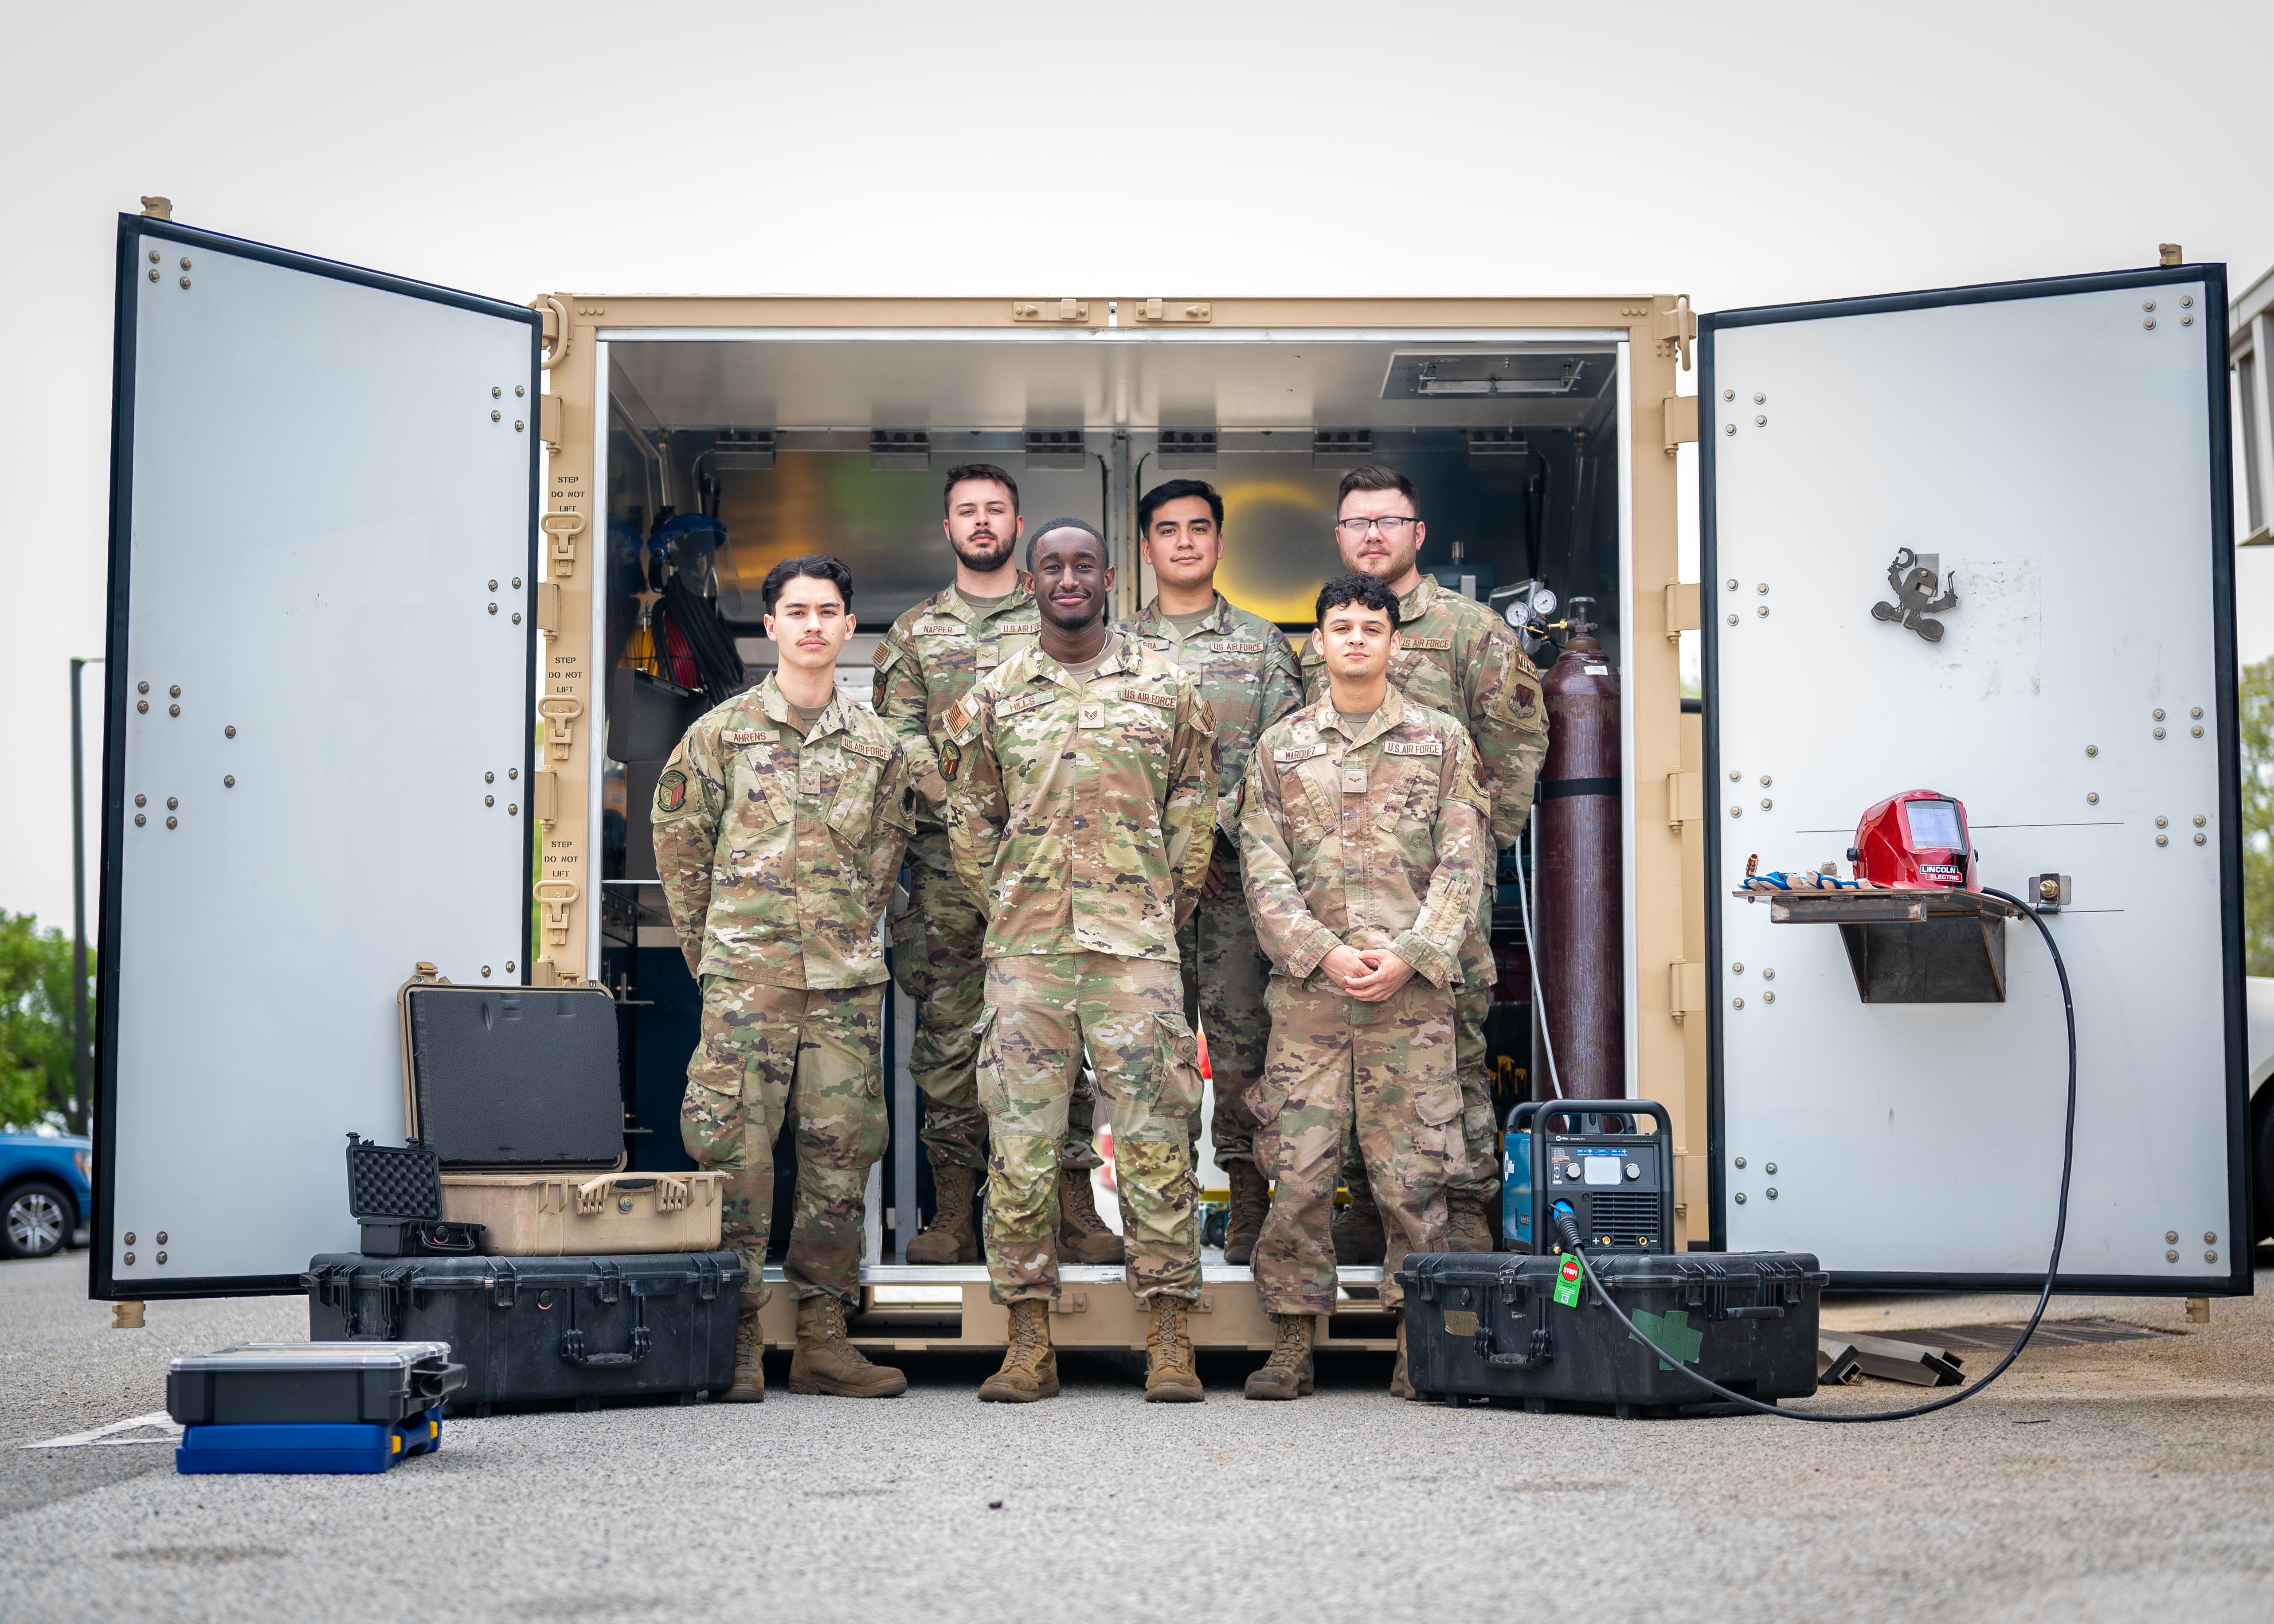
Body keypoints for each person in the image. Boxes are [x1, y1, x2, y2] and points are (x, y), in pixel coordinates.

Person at [940, 518, 1219, 1402]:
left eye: (1084, 565)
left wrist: (1151, 912)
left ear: (1108, 577)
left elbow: (1193, 822)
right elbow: (972, 822)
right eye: (1052, 565)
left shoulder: (1170, 689)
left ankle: (1169, 1333)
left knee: (1153, 1139)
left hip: (1136, 948)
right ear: (1031, 581)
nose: (1069, 578)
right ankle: (1027, 1338)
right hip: (1027, 952)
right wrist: (1015, 905)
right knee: (1021, 1146)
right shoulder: (992, 696)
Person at [654, 554, 918, 1402]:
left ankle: (821, 1340)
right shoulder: (720, 735)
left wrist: (839, 943)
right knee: (734, 1157)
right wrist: (719, 959)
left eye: (828, 611)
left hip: (842, 985)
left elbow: (882, 865)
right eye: (795, 611)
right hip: (748, 983)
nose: (811, 625)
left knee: (841, 1158)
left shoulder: (880, 747)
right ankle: (734, 1340)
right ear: (768, 627)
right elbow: (682, 852)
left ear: (849, 629)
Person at [1239, 573, 1489, 1400]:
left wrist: (1415, 952)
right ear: (1317, 641)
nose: (1354, 638)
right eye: (1339, 625)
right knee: (1301, 1172)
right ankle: (1290, 1341)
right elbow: (1261, 865)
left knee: (1413, 1176)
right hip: (1312, 999)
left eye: (1369, 626)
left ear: (1391, 642)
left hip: (1409, 1000)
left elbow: (1464, 860)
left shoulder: (1443, 739)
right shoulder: (1281, 748)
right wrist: (1318, 950)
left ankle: (1419, 1341)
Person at [873, 466, 1121, 1268]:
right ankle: (952, 1214)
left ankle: (1074, 1208)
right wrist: (969, 801)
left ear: (1018, 524)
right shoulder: (915, 635)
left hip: (1052, 868)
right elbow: (897, 740)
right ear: (946, 528)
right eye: (966, 513)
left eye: (996, 511)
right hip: (949, 869)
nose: (981, 524)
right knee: (950, 1038)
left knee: (1062, 1030)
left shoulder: (1056, 610)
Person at [1303, 466, 1548, 1258]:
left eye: (1387, 520)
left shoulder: (1471, 631)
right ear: (1339, 537)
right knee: (1346, 1052)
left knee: (1454, 1049)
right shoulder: (1327, 634)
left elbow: (1514, 753)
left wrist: (1471, 865)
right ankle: (1367, 1207)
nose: (1372, 534)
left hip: (1440, 899)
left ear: (1416, 531)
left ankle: (1466, 1202)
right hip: (1340, 897)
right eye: (1357, 523)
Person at [1125, 479, 1303, 1264]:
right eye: (1168, 530)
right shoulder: (1116, 648)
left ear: (1220, 543)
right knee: (1152, 1053)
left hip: (1232, 888)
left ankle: (1248, 1203)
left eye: (1200, 528)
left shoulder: (1263, 646)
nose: (1185, 542)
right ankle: (1155, 1217)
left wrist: (1209, 832)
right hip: (1145, 891)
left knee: (1241, 1049)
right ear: (1146, 547)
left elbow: (1281, 762)